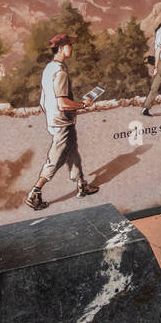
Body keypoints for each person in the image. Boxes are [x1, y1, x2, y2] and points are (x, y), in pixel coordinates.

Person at [25, 33, 99, 210]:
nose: (71, 48)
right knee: (56, 158)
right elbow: (63, 103)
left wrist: (50, 116)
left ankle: (81, 184)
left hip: (55, 119)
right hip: (62, 122)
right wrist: (83, 104)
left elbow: (43, 100)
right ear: (61, 48)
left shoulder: (49, 68)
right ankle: (35, 192)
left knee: (73, 152)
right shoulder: (61, 72)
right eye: (69, 45)